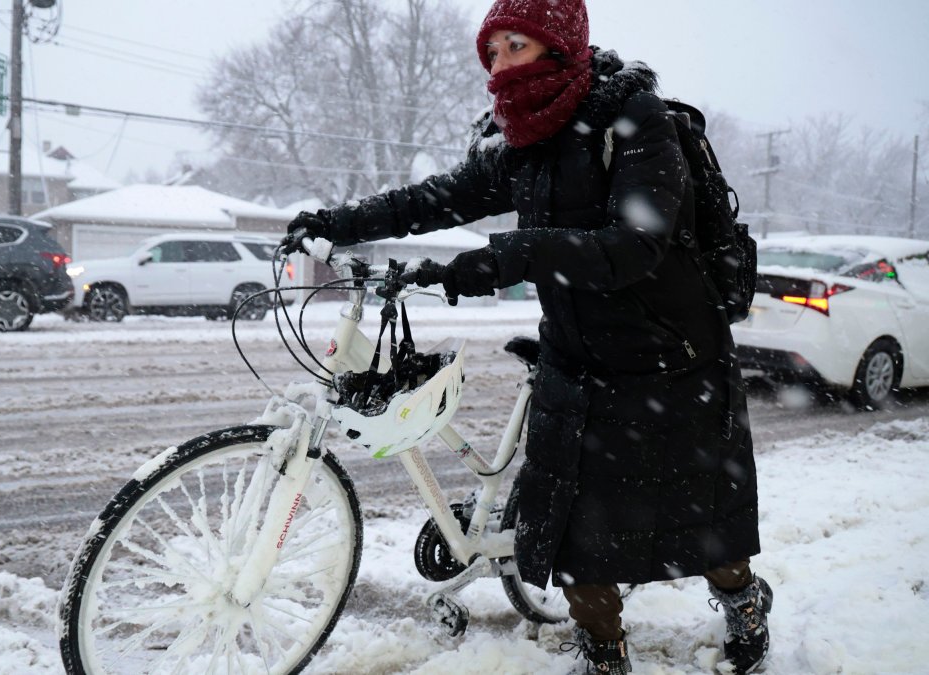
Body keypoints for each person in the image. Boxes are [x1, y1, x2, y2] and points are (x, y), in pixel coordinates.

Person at [279, 0, 772, 673]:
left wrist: (508, 255)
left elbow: (637, 246)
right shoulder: (525, 139)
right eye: (494, 51)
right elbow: (436, 197)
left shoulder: (633, 122)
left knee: (706, 530)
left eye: (518, 46)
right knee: (577, 538)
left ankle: (743, 601)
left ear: (560, 46)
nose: (503, 64)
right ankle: (602, 652)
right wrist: (336, 222)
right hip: (577, 359)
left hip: (671, 359)